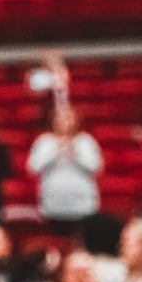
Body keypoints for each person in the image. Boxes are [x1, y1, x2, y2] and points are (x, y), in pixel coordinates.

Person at [30, 103, 103, 241]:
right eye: (61, 119)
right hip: (53, 206)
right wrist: (55, 151)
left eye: (68, 119)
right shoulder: (44, 142)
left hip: (83, 206)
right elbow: (34, 167)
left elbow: (95, 167)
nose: (65, 123)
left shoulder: (86, 142)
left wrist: (75, 152)